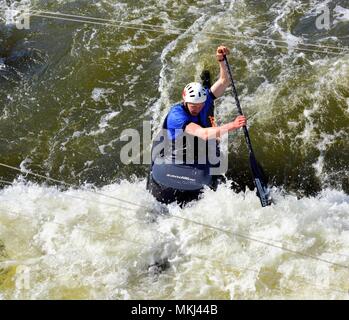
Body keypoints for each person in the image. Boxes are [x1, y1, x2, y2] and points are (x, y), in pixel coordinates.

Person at [161, 45, 247, 164]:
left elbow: (224, 81)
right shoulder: (177, 116)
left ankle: (206, 79)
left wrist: (221, 60)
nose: (197, 108)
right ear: (185, 100)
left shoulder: (205, 99)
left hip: (199, 143)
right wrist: (233, 125)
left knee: (214, 135)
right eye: (193, 106)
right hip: (178, 149)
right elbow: (204, 134)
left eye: (200, 105)